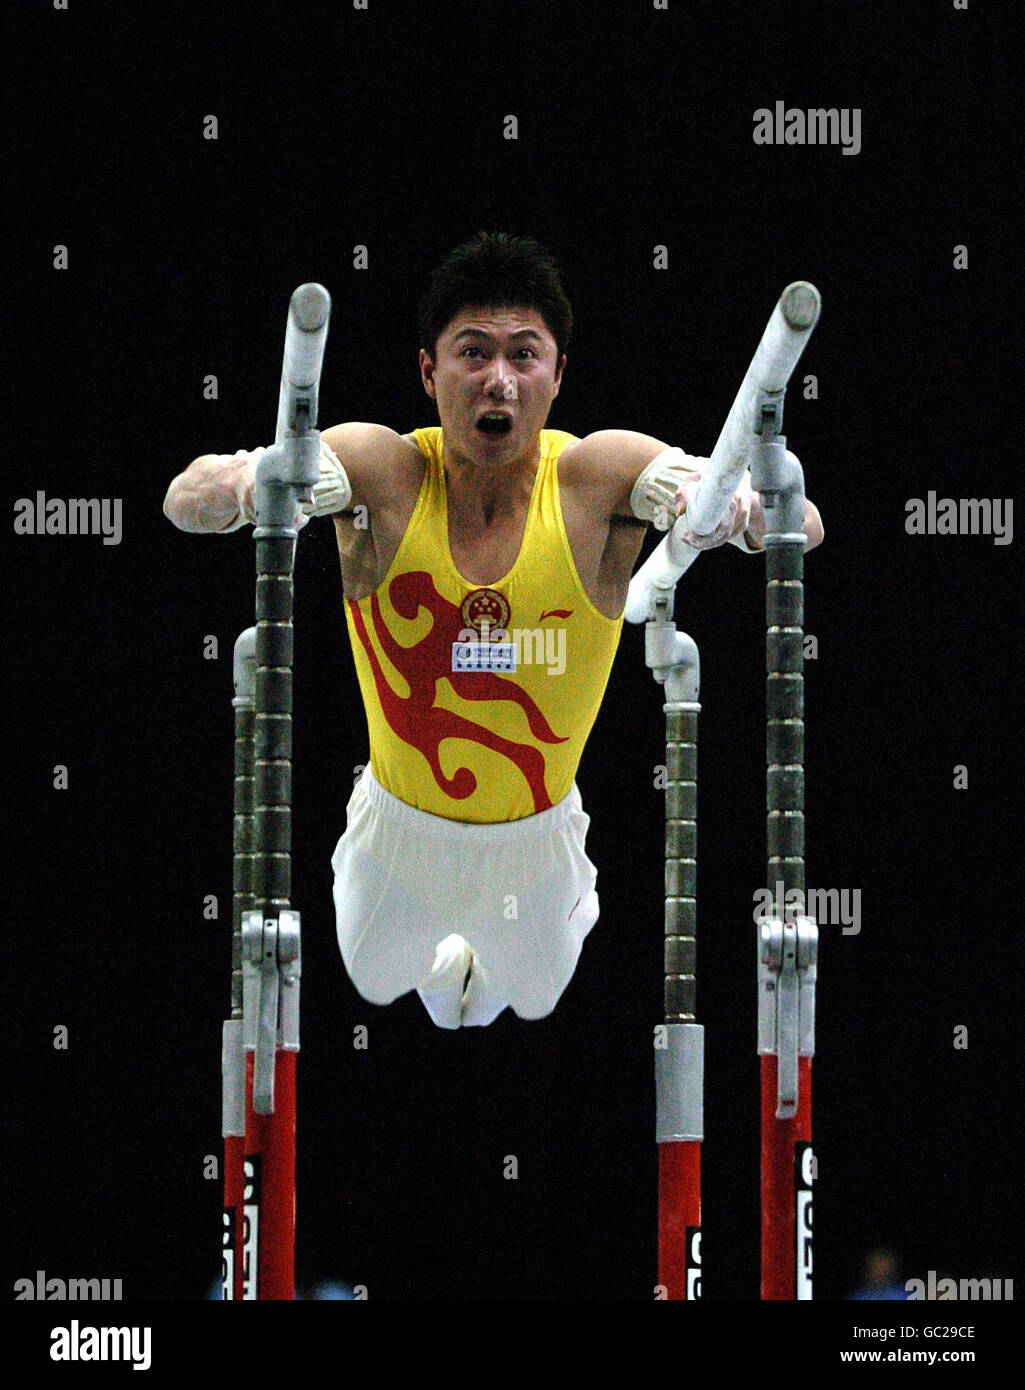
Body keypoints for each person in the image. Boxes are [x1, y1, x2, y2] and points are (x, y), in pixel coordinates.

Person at [164, 232, 824, 1029]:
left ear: (556, 375)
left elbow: (803, 521)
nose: (498, 379)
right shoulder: (381, 470)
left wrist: (731, 504)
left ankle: (523, 937)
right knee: (373, 980)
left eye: (523, 354)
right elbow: (181, 496)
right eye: (472, 353)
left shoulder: (595, 477)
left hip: (534, 841)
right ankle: (449, 976)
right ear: (428, 371)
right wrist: (249, 484)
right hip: (397, 831)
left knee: (536, 999)